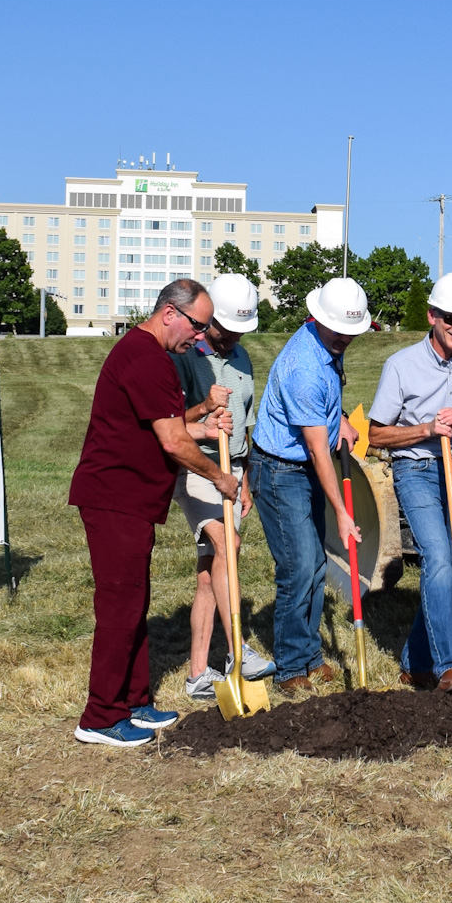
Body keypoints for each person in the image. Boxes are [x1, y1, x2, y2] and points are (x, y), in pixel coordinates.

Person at [68, 279, 239, 746]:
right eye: (197, 326)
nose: (200, 338)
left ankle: (134, 701)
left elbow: (168, 424)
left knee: (134, 601)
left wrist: (202, 416)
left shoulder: (153, 357)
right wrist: (220, 479)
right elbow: (171, 441)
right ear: (169, 313)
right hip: (114, 497)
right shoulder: (145, 357)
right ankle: (101, 717)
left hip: (133, 500)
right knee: (120, 606)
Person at [368, 273, 452, 693]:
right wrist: (427, 428)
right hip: (418, 470)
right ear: (432, 316)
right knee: (439, 558)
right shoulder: (402, 365)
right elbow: (377, 434)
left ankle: (413, 660)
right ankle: (450, 667)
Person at [250, 276, 369, 693]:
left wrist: (343, 421)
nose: (345, 339)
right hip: (281, 471)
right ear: (319, 319)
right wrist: (342, 512)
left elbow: (324, 412)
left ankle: (308, 655)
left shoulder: (327, 347)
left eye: (351, 333)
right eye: (339, 331)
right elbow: (319, 452)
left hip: (301, 463)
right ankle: (290, 668)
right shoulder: (304, 368)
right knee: (299, 568)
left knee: (316, 566)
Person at [171, 274, 277, 700]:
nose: (232, 336)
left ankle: (198, 674)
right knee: (227, 545)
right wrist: (204, 408)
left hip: (231, 472)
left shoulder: (243, 358)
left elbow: (246, 424)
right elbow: (171, 423)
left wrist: (245, 478)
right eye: (226, 327)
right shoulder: (183, 356)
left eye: (240, 330)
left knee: (208, 573)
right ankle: (238, 650)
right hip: (195, 470)